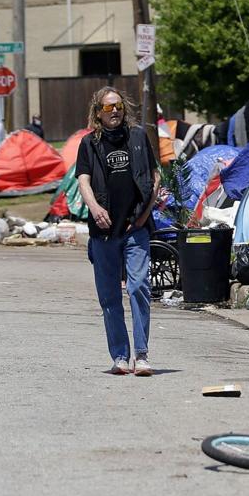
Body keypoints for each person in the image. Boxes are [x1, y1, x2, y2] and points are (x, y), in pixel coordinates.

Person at [76, 87, 161, 376]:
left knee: (138, 287)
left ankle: (142, 354)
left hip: (135, 227)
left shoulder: (137, 137)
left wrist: (145, 214)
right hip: (103, 232)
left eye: (119, 107)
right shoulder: (89, 143)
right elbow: (83, 180)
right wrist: (95, 208)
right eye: (109, 107)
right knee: (110, 296)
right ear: (98, 112)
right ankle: (121, 357)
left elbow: (155, 176)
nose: (115, 111)